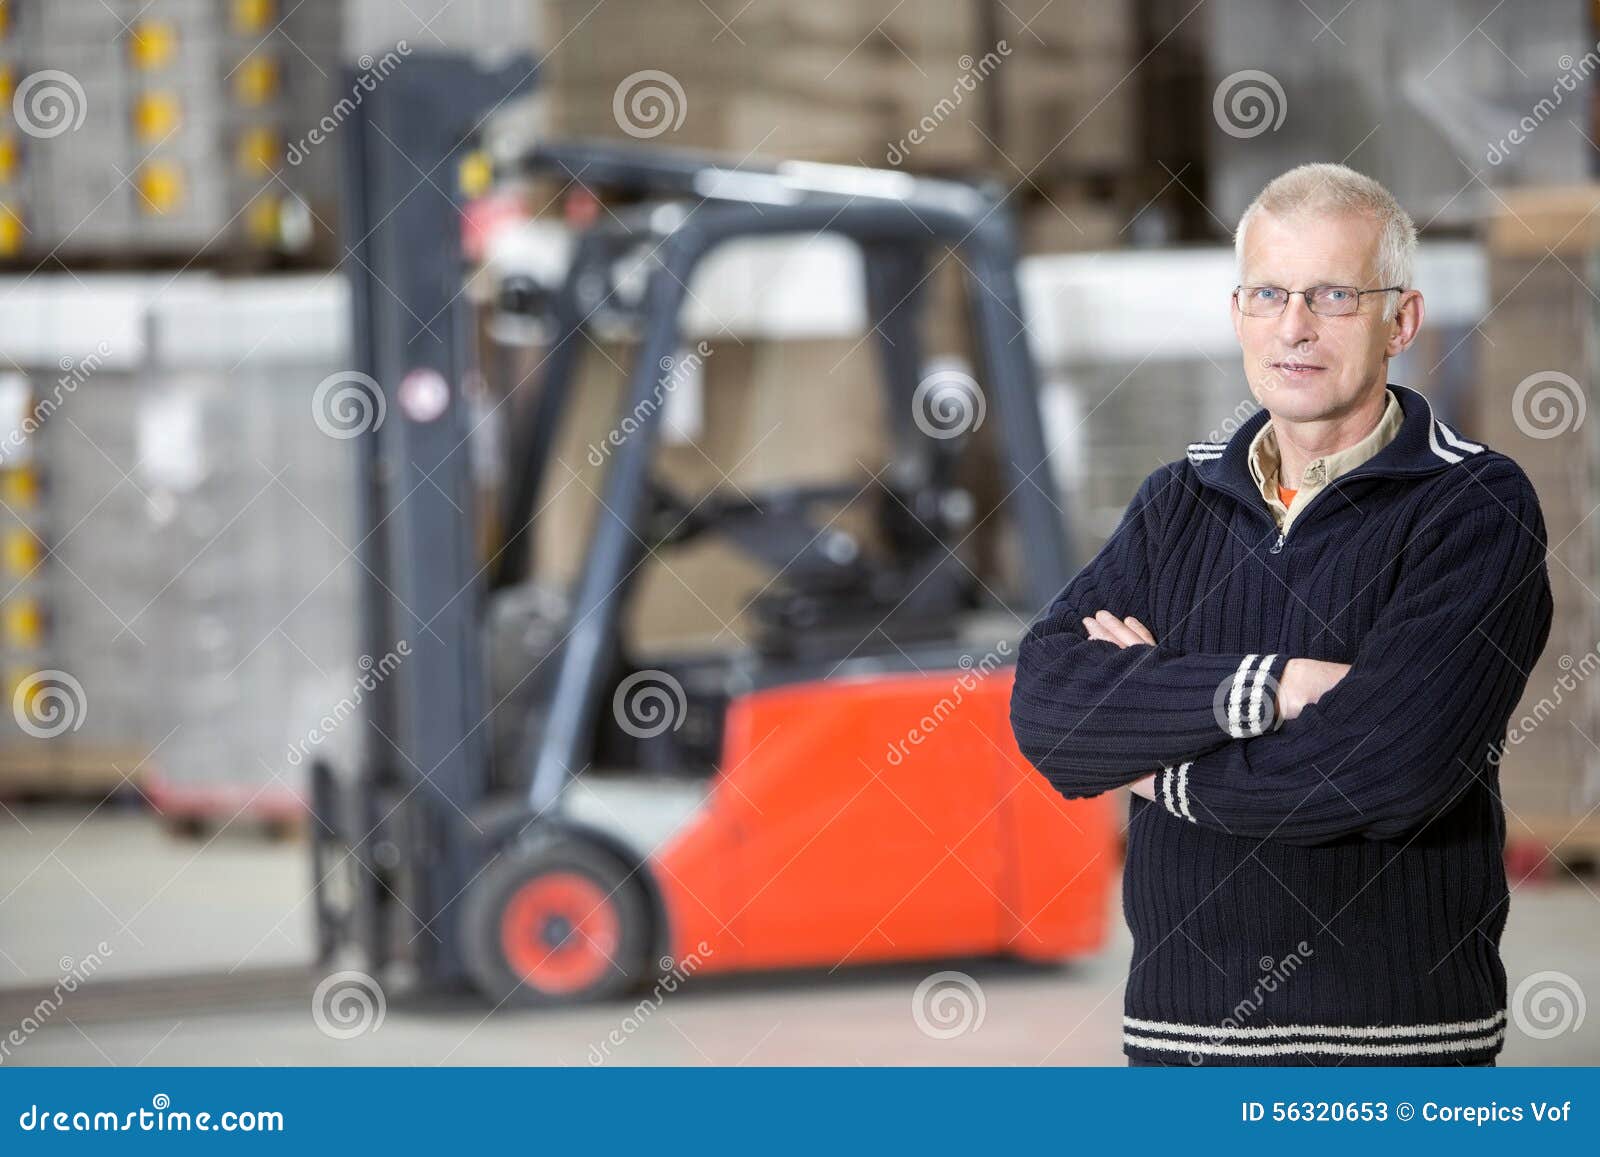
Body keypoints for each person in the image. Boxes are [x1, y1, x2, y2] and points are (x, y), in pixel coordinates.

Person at [1009, 162, 1552, 1067]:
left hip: (1398, 1055)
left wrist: (1160, 761)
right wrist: (1278, 687)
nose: (1293, 327)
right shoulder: (1176, 500)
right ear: (1238, 315)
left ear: (1400, 322)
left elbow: (1390, 769)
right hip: (1179, 1045)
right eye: (1268, 293)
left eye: (1334, 295)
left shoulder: (1474, 506)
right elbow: (1050, 709)